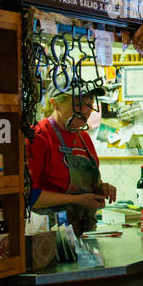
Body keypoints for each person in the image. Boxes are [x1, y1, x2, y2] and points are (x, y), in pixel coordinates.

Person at [27, 83, 117, 233]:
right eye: (78, 105)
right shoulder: (38, 136)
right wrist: (76, 200)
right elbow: (30, 196)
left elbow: (83, 184)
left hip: (85, 230)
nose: (86, 111)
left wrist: (101, 188)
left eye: (89, 105)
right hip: (50, 234)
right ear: (55, 104)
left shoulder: (84, 138)